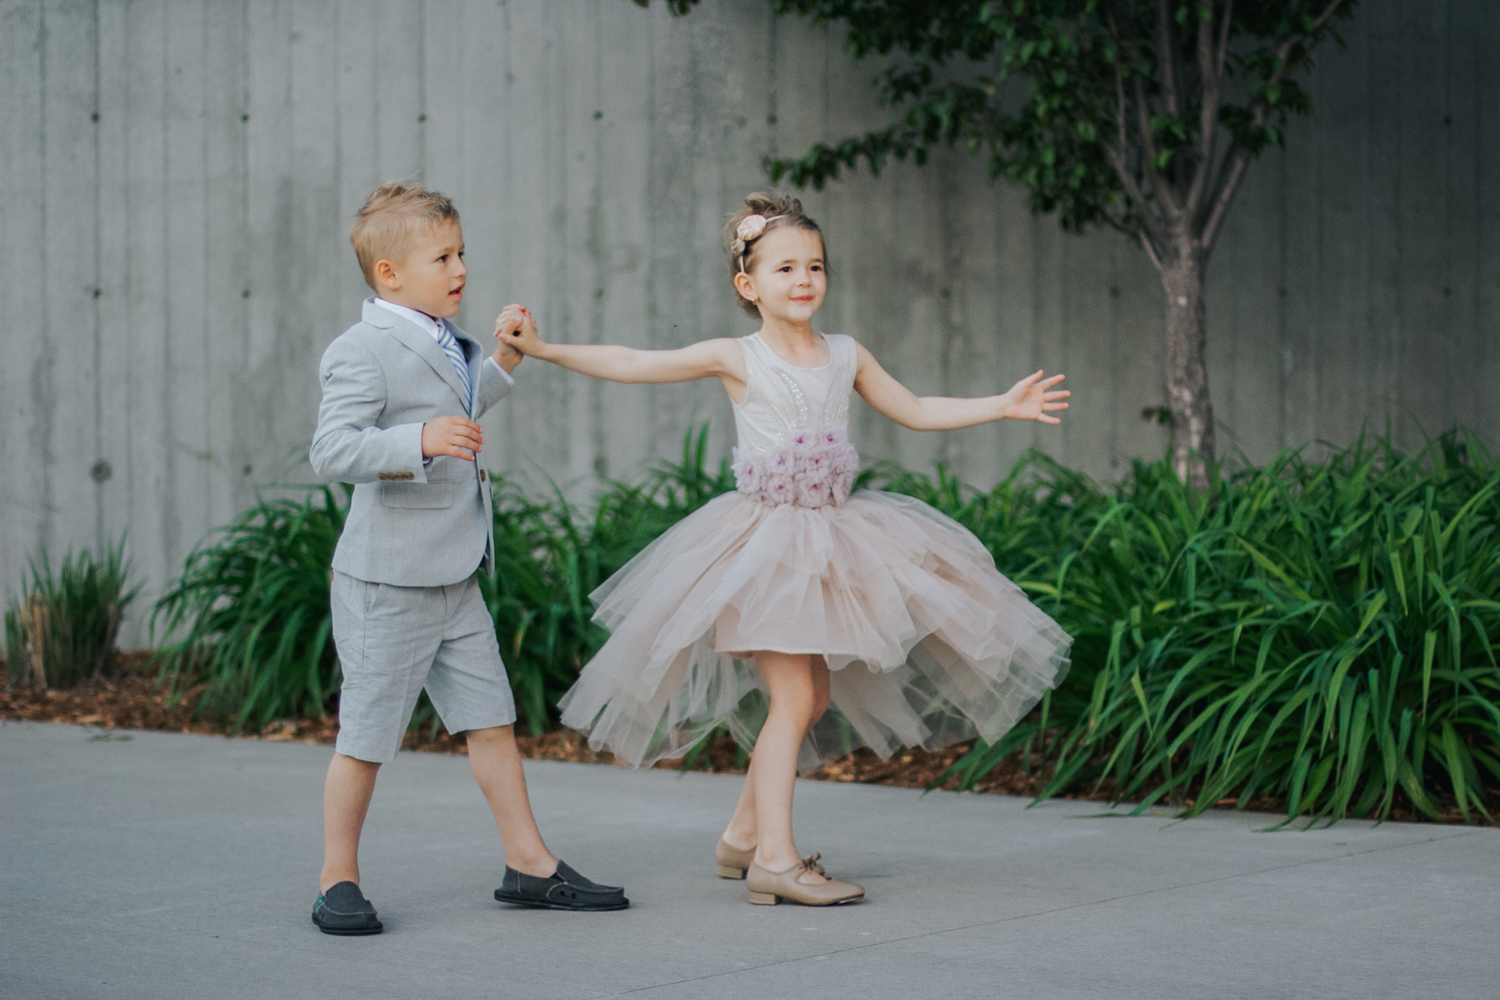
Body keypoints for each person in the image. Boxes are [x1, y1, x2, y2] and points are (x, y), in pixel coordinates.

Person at [496, 192, 1073, 906]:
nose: (804, 279)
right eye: (786, 268)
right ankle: (773, 859)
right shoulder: (737, 356)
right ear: (748, 285)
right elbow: (634, 360)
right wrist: (545, 349)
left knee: (813, 695)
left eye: (815, 266)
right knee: (796, 697)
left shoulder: (846, 354)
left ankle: (743, 837)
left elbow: (917, 409)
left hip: (835, 542)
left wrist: (1001, 404)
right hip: (764, 551)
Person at [306, 182, 627, 935]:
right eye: (442, 258)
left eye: (461, 254)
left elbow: (457, 409)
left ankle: (529, 863)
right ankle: (336, 879)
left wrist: (505, 359)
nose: (460, 269)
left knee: (490, 721)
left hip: (455, 573)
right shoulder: (361, 348)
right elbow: (332, 449)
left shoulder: (438, 334)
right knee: (367, 738)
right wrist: (417, 441)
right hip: (387, 583)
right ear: (390, 275)